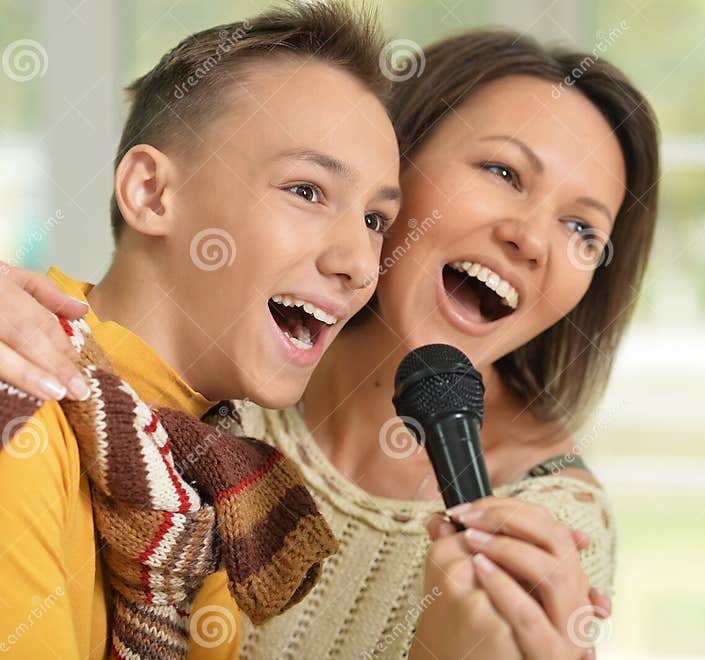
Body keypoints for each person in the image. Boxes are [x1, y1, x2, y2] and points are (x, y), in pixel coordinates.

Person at [0, 18, 660, 660]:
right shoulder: (84, 404)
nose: (534, 238)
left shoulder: (220, 468)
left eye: (584, 230)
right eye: (309, 191)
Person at [0, 3, 403, 657]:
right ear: (152, 193)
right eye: (306, 190)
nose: (359, 263)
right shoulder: (21, 408)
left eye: (376, 220)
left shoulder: (213, 486)